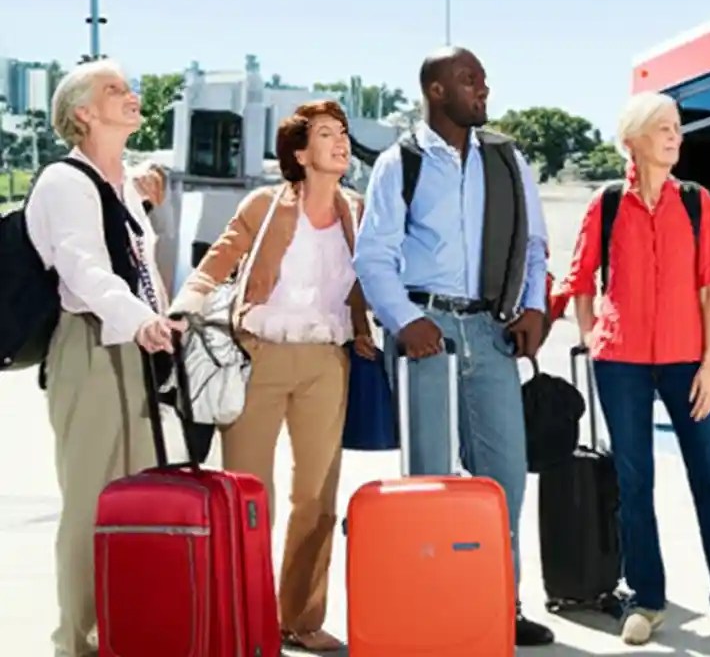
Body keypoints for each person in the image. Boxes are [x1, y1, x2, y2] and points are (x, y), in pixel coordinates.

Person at [561, 91, 710, 647]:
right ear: (634, 138)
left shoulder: (697, 203)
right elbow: (580, 278)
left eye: (677, 128)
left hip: (689, 361)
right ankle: (646, 599)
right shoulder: (607, 203)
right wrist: (594, 339)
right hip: (623, 363)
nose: (675, 136)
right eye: (663, 128)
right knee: (636, 484)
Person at [353, 45, 555, 647]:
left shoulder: (507, 157)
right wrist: (405, 321)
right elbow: (373, 255)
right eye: (470, 80)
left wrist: (537, 306)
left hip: (492, 332)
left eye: (485, 80)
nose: (483, 89)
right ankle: (432, 608)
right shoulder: (402, 162)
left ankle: (500, 603)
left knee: (504, 477)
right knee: (429, 479)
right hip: (427, 336)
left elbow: (535, 243)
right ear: (436, 91)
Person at [169, 99, 375, 652]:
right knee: (247, 491)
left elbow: (379, 269)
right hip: (257, 354)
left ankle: (301, 618)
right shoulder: (265, 204)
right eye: (327, 135)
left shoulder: (357, 209)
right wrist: (183, 307)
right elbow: (219, 258)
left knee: (317, 496)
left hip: (327, 360)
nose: (341, 142)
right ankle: (244, 611)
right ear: (301, 154)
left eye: (344, 134)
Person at [25, 59, 187, 657]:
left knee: (134, 496)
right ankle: (77, 642)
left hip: (133, 348)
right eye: (114, 89)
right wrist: (141, 319)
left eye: (130, 86)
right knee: (92, 498)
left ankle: (125, 629)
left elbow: (137, 263)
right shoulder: (65, 181)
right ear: (82, 113)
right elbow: (85, 268)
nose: (132, 95)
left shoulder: (117, 181)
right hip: (90, 345)